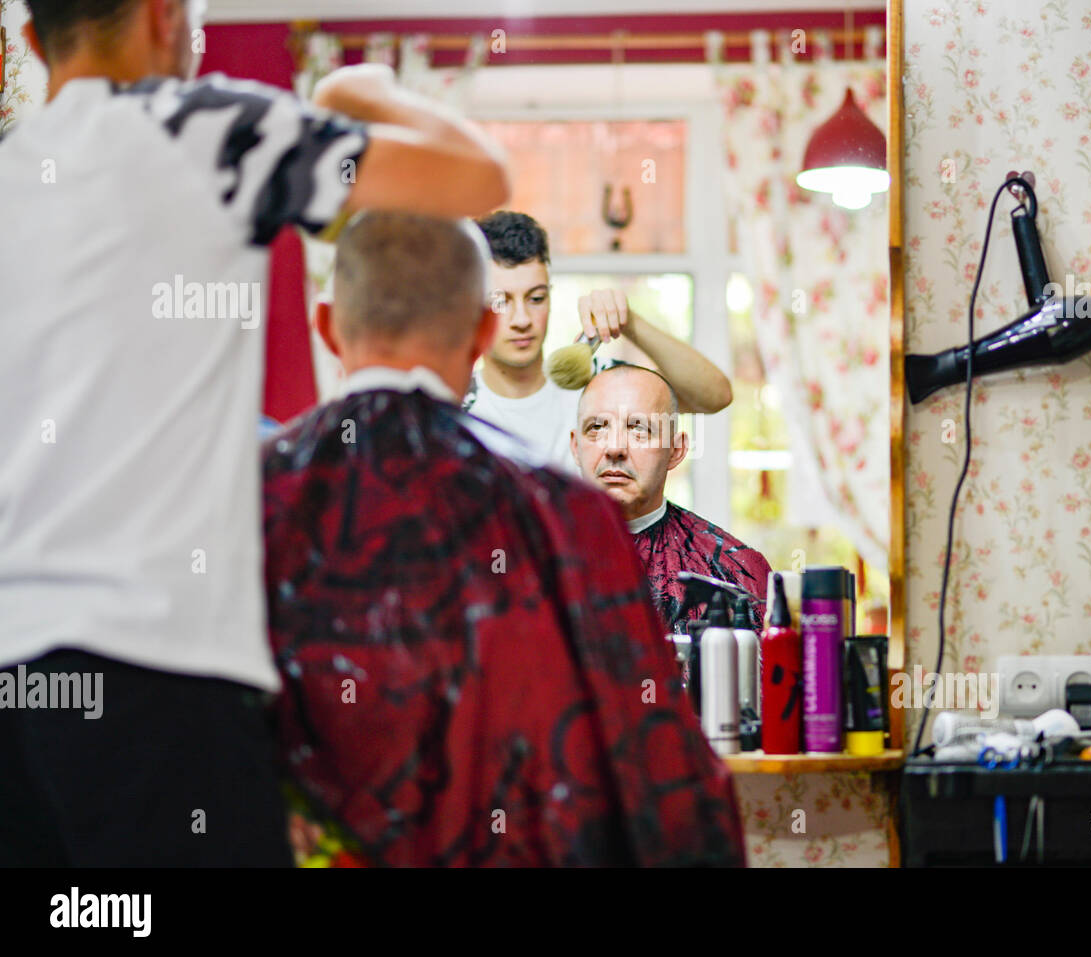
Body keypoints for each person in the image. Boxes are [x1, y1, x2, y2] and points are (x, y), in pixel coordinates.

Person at [0, 0, 506, 866]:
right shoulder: (206, 129)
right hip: (155, 672)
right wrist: (366, 87)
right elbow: (475, 178)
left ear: (37, 40)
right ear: (167, 17)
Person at [263, 211, 745, 867]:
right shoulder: (570, 515)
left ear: (326, 327)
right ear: (482, 331)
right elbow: (661, 769)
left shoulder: (255, 496)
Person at [463, 210, 732, 473]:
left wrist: (629, 322)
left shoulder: (602, 385)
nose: (521, 319)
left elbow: (715, 396)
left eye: (536, 298)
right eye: (500, 301)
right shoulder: (457, 408)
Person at [571, 365, 773, 633]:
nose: (615, 448)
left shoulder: (735, 572)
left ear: (676, 450)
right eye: (597, 427)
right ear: (576, 447)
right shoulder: (529, 559)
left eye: (638, 428)